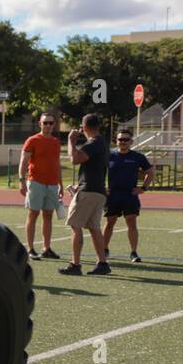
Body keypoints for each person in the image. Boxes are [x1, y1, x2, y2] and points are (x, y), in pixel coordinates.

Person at [57, 114, 110, 276]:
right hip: (98, 190)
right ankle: (102, 263)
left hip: (88, 191)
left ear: (84, 127)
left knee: (75, 225)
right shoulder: (102, 143)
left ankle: (75, 264)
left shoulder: (94, 143)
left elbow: (75, 159)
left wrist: (71, 141)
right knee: (94, 228)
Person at [102, 128, 153, 262]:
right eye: (120, 139)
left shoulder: (138, 157)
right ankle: (104, 249)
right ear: (116, 141)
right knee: (109, 222)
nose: (123, 142)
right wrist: (103, 187)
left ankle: (133, 252)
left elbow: (150, 172)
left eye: (126, 139)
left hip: (129, 195)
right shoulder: (110, 155)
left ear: (131, 141)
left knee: (131, 222)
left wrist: (143, 188)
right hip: (112, 195)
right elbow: (98, 170)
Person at [18, 112, 63, 260]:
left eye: (51, 123)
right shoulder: (32, 140)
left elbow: (57, 164)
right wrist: (21, 181)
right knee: (33, 214)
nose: (48, 126)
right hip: (36, 182)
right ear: (40, 124)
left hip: (52, 184)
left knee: (48, 215)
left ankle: (46, 248)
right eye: (45, 123)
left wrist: (61, 184)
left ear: (54, 125)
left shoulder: (56, 141)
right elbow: (23, 162)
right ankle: (30, 248)